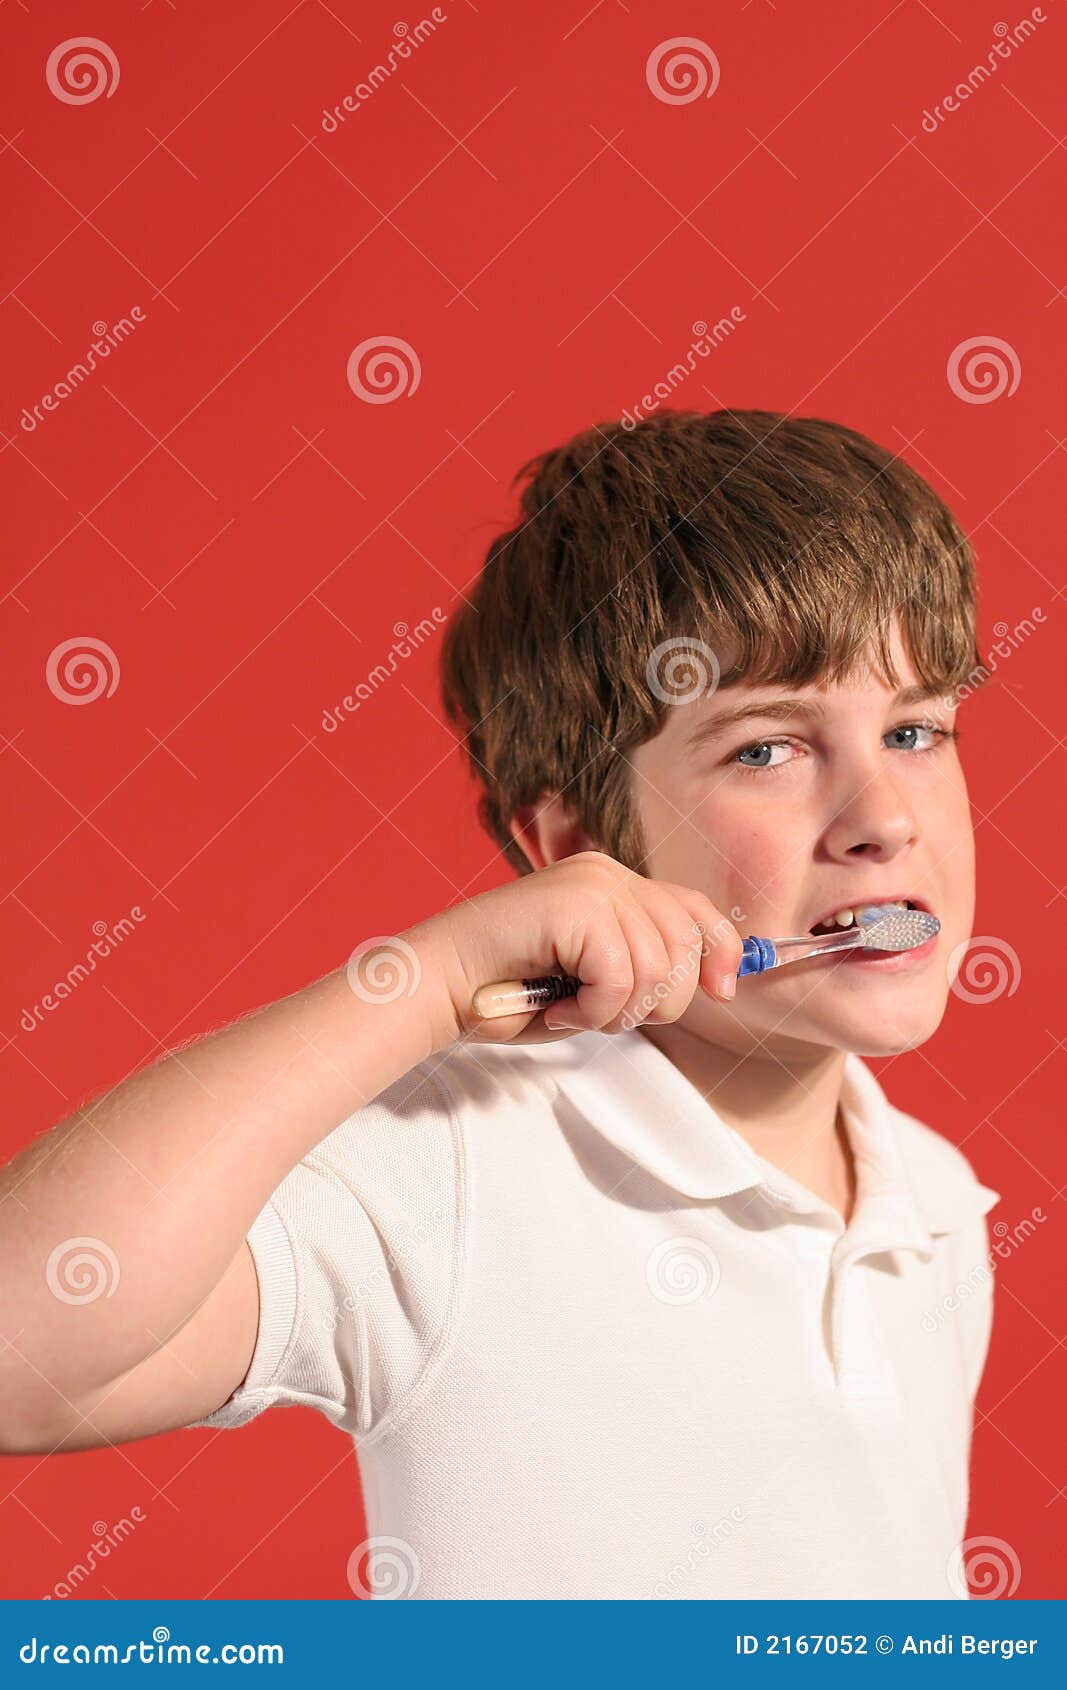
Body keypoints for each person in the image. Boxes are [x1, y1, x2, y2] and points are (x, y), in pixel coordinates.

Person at [0, 409, 1000, 1600]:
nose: (883, 815)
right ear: (575, 849)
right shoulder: (455, 1165)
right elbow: (22, 1351)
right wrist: (423, 982)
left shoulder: (935, 1202)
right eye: (765, 750)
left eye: (913, 730)